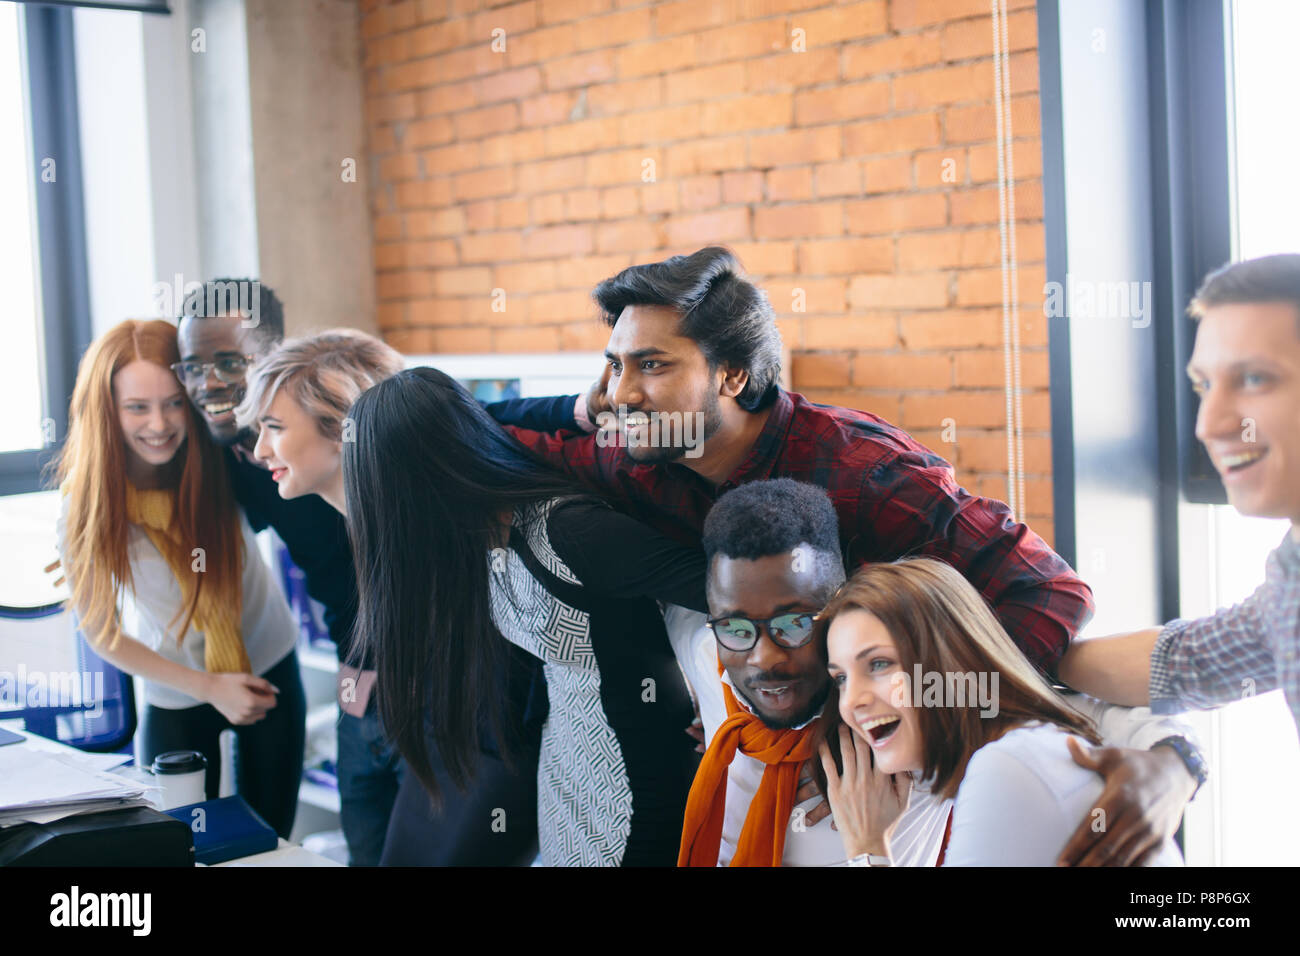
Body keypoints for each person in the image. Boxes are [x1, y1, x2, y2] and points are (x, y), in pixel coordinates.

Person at [483, 247, 1202, 858]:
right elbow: (476, 427)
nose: (624, 393)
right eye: (613, 366)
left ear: (733, 376)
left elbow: (1052, 593)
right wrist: (580, 407)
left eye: (650, 366)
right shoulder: (634, 455)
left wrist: (899, 708)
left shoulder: (863, 473)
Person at [675, 479, 1201, 867]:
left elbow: (1094, 711)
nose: (764, 657)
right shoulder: (717, 675)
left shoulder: (960, 740)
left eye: (793, 624)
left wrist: (1175, 764)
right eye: (737, 629)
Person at [344, 366, 710, 866]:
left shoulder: (569, 531)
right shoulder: (480, 540)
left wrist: (723, 703)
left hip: (636, 777)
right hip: (564, 760)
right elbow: (447, 414)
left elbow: (734, 594)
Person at [235, 329, 539, 866]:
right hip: (364, 701)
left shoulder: (438, 522)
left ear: (341, 428)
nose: (260, 450)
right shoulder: (296, 488)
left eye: (275, 428)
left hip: (453, 728)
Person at [52, 319, 304, 838]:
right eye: (137, 407)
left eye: (172, 402)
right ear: (107, 411)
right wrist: (209, 687)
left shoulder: (219, 453)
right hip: (176, 687)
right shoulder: (89, 503)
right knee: (180, 845)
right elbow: (101, 630)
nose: (160, 423)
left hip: (268, 659)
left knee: (268, 843)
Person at [1059, 254, 1300, 741]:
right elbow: (1190, 661)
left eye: (1254, 379)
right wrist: (1001, 653)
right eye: (1204, 385)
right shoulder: (1291, 573)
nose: (1208, 425)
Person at [817, 557, 1183, 867]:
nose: (850, 702)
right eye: (841, 679)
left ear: (948, 662)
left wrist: (867, 848)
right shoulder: (1025, 746)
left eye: (879, 664)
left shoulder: (1006, 766)